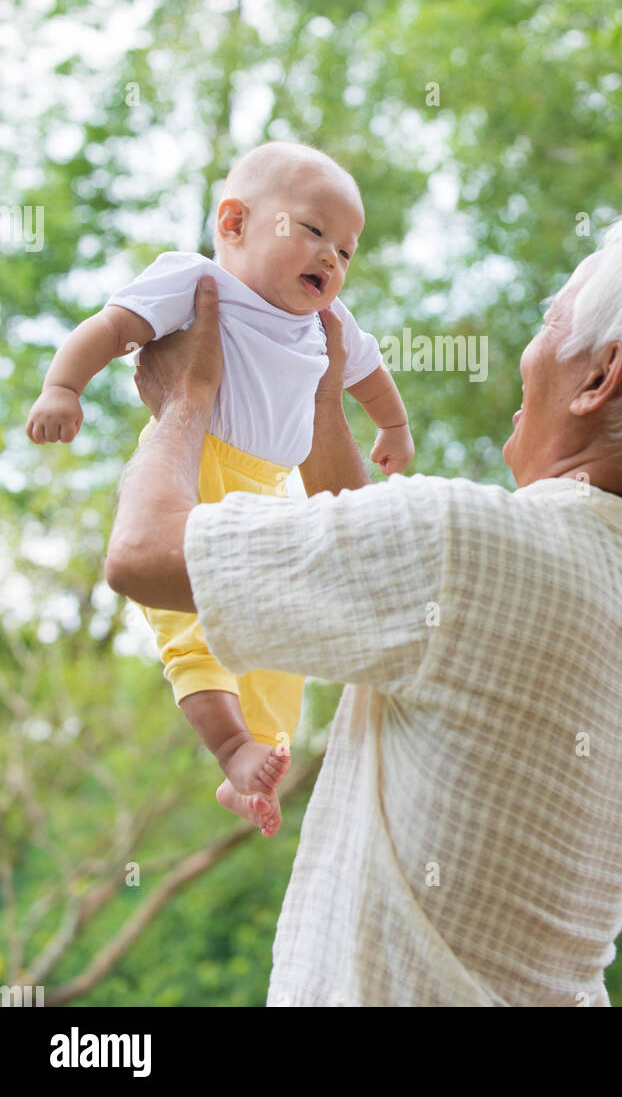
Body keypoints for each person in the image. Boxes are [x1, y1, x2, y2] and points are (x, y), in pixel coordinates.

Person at [105, 197, 622, 1007]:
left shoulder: (466, 546)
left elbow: (143, 556)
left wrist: (186, 404)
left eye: (548, 324)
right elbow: (386, 591)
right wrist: (323, 404)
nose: (529, 353)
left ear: (600, 377)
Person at [26, 141, 414, 837]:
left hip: (271, 488)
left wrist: (394, 427)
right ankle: (229, 745)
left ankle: (260, 749)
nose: (331, 258)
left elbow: (369, 374)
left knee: (272, 632)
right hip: (191, 470)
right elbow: (112, 329)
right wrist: (63, 387)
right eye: (313, 231)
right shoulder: (195, 282)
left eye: (347, 251)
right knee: (195, 627)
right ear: (234, 224)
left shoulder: (328, 326)